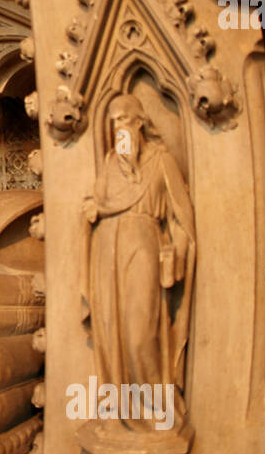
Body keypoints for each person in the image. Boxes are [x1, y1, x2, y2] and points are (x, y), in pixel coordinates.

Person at [81, 95, 195, 429]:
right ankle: (122, 413)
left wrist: (176, 254)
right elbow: (94, 204)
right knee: (110, 332)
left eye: (124, 120)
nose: (119, 128)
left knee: (139, 335)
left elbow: (182, 219)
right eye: (114, 122)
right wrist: (89, 213)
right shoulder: (108, 163)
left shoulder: (161, 162)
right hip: (107, 254)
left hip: (144, 247)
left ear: (140, 122)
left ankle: (160, 411)